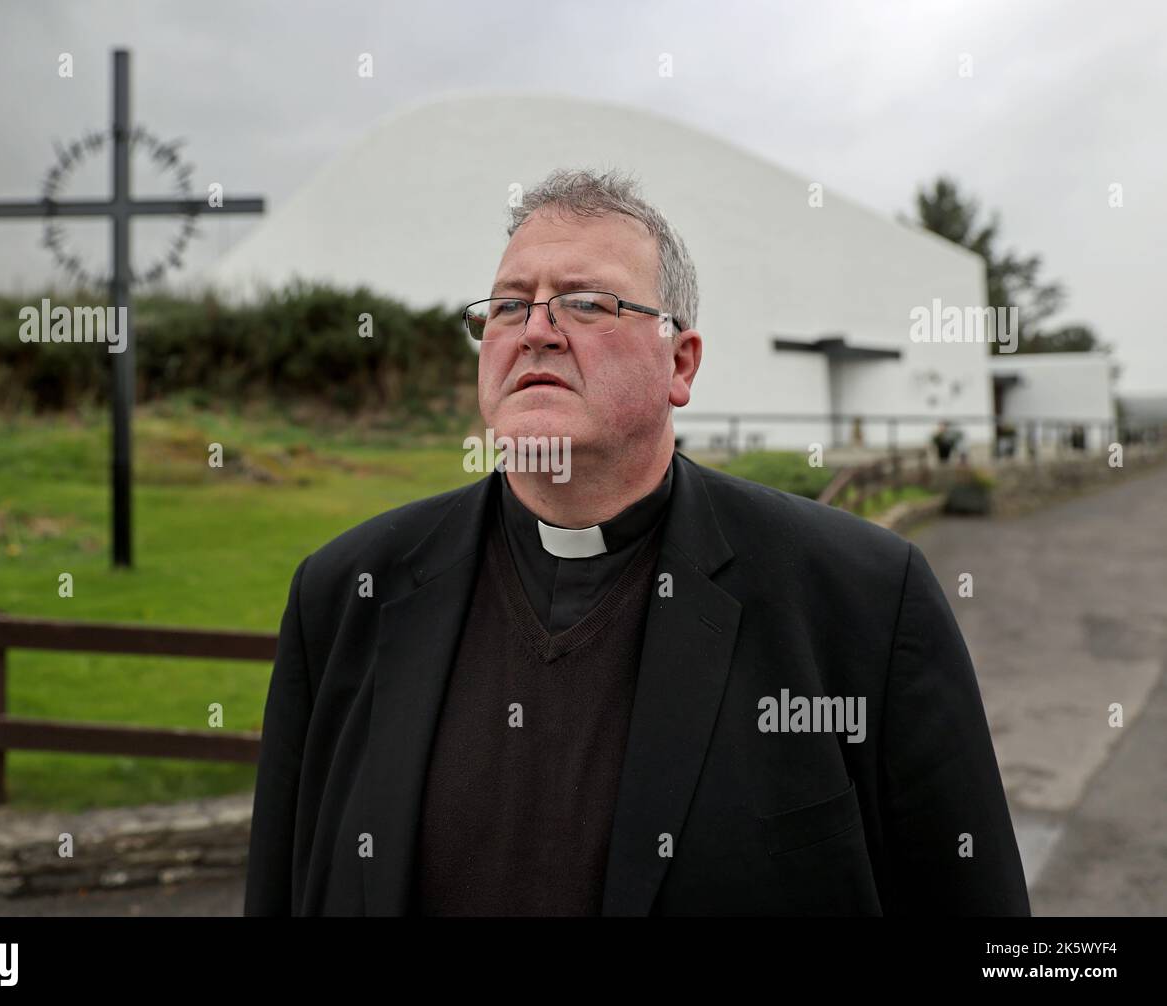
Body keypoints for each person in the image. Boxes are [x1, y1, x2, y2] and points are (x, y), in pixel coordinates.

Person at [244, 168, 1029, 916]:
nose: (537, 332)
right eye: (509, 306)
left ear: (679, 362)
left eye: (585, 303)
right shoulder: (346, 594)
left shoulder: (860, 600)